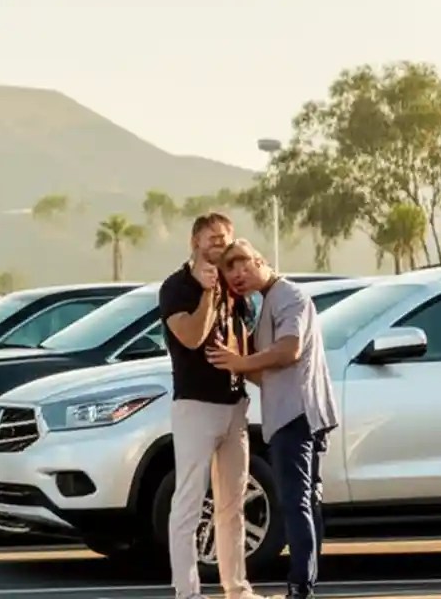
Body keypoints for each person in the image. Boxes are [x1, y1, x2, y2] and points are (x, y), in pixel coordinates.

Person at [208, 239, 337, 599]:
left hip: (296, 415)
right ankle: (304, 584)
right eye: (229, 269)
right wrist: (241, 358)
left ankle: (300, 587)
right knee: (306, 501)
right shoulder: (269, 301)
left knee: (296, 501)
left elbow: (289, 349)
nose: (237, 274)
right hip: (297, 411)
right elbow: (269, 371)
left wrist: (239, 363)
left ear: (261, 260)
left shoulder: (287, 296)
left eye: (242, 264)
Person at [159, 213, 263, 599]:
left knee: (232, 504)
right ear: (195, 241)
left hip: (234, 406)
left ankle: (237, 588)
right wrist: (206, 293)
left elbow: (246, 342)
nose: (219, 244)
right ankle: (187, 592)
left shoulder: (234, 288)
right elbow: (190, 338)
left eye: (225, 238)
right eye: (212, 238)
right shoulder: (177, 287)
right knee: (188, 501)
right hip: (195, 406)